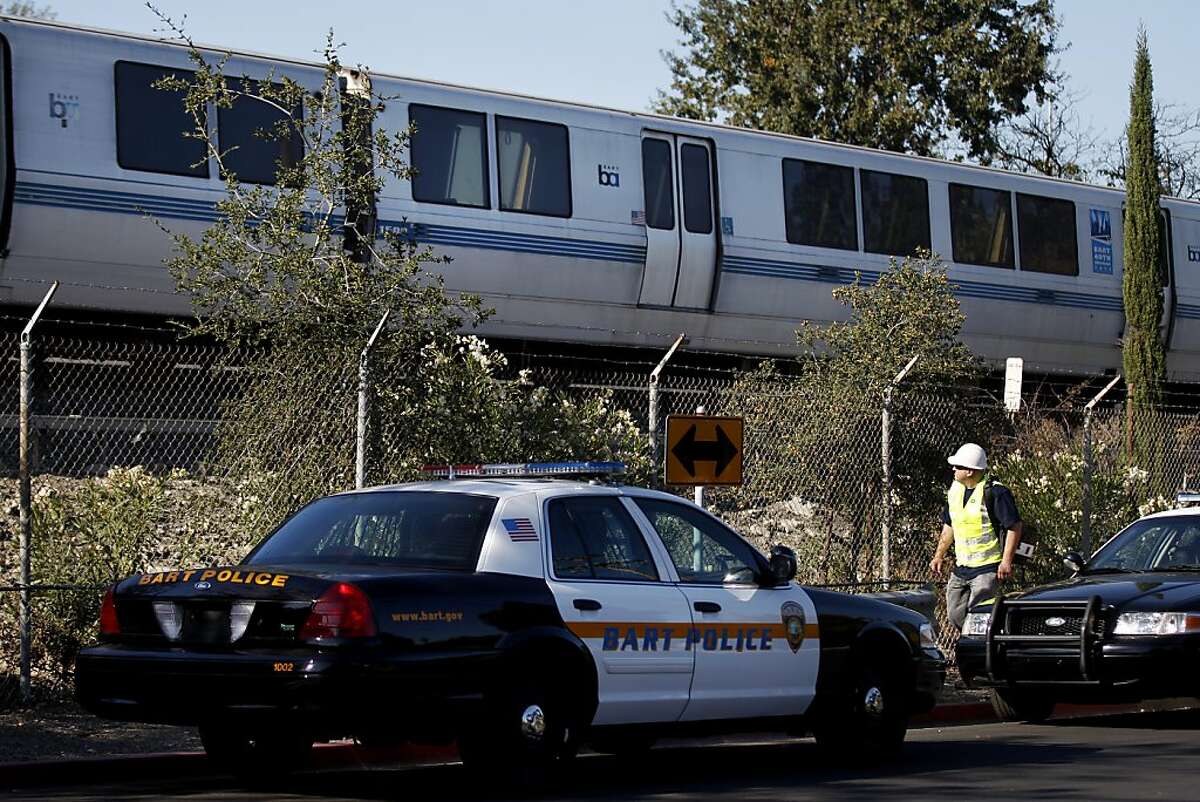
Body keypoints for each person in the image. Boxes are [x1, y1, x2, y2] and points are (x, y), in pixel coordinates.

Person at [929, 442, 1023, 632]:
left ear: (970, 471)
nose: (953, 470)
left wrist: (1006, 561)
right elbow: (950, 525)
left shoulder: (995, 492)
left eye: (959, 466)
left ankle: (981, 649)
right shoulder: (955, 490)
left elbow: (1014, 526)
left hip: (987, 567)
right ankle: (976, 640)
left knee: (981, 615)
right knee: (955, 614)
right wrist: (939, 555)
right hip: (962, 567)